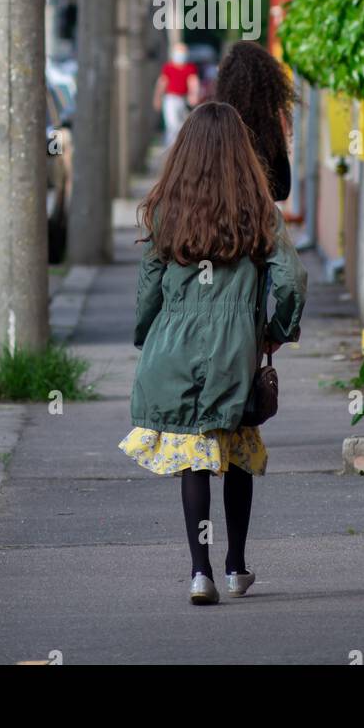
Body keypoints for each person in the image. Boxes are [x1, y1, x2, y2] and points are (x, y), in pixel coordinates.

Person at [118, 101, 307, 605]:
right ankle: (236, 566)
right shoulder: (260, 212)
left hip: (176, 345)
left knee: (194, 457)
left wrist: (147, 335)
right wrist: (275, 331)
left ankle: (198, 573)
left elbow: (148, 288)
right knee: (237, 451)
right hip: (237, 350)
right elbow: (291, 279)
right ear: (241, 155)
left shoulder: (166, 209)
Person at [215, 40, 295, 201]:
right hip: (258, 221)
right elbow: (282, 190)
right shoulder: (269, 131)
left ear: (225, 84)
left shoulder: (216, 124)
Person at [152, 41, 199, 147]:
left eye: (183, 52)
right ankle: (170, 147)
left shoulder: (190, 68)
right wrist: (157, 98)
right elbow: (162, 83)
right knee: (172, 125)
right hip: (170, 99)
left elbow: (193, 83)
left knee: (182, 125)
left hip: (183, 99)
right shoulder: (168, 68)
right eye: (179, 51)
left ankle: (181, 146)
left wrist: (194, 95)